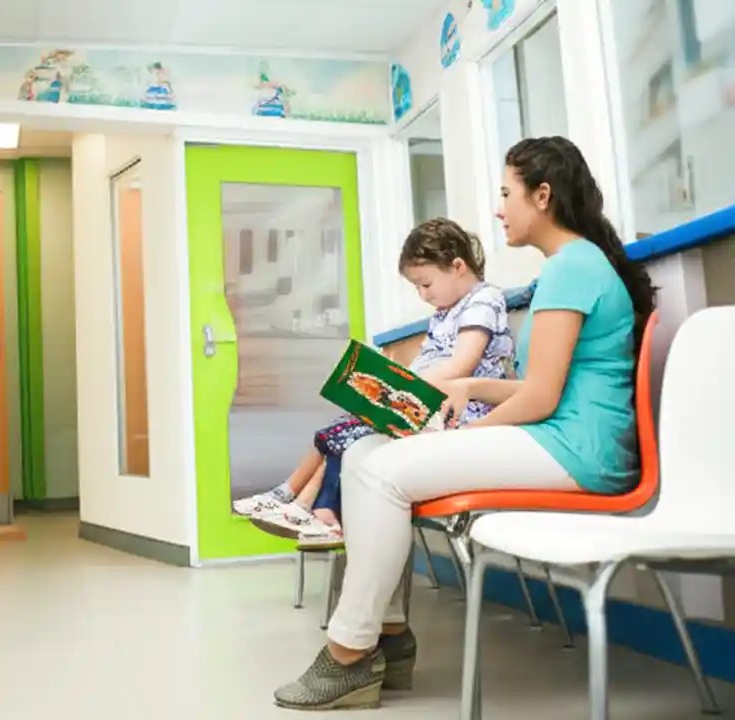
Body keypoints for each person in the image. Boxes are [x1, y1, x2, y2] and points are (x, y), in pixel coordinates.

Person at [272, 135, 655, 711]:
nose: (499, 208)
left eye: (507, 193)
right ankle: (392, 638)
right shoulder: (572, 266)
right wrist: (471, 387)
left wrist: (467, 433)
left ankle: (350, 652)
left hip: (575, 449)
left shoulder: (572, 267)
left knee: (383, 472)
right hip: (556, 436)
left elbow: (543, 398)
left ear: (543, 196)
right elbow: (541, 386)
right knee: (360, 453)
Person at [234, 218, 515, 548]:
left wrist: (402, 385)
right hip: (429, 405)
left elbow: (461, 365)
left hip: (460, 411)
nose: (423, 295)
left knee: (353, 428)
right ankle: (298, 502)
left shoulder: (484, 300)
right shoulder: (445, 310)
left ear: (457, 266)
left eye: (426, 284)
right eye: (417, 288)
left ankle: (298, 501)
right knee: (347, 425)